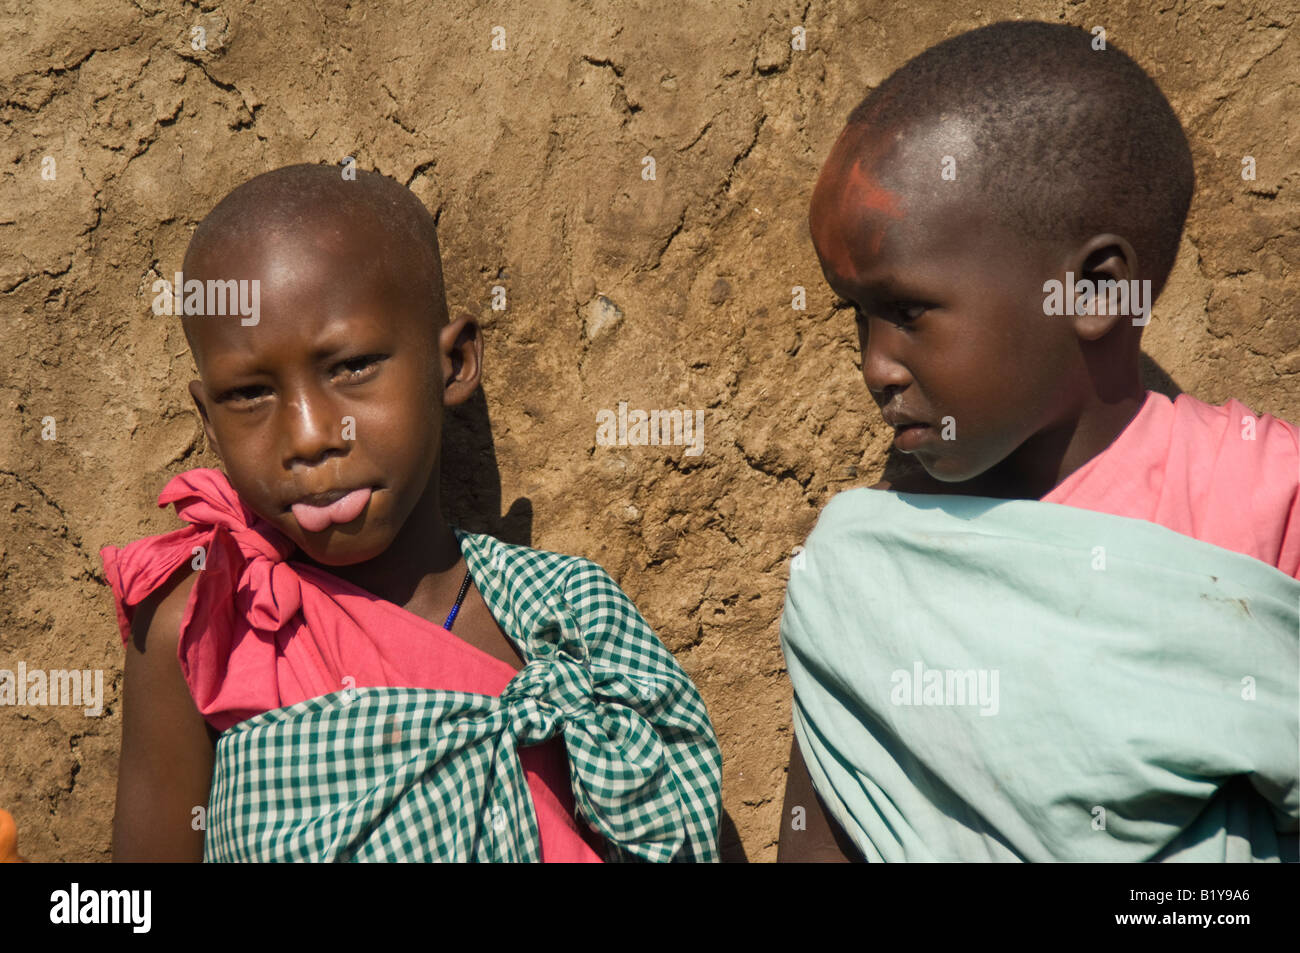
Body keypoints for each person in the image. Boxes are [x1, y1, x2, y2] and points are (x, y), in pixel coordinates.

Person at [778, 21, 1299, 862]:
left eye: (907, 312)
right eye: (856, 317)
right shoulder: (865, 579)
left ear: (1093, 293)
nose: (876, 366)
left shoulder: (1263, 498)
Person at [102, 164, 722, 862]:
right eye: (249, 394)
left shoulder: (564, 619)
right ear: (207, 419)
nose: (308, 435)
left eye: (353, 366)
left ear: (453, 362)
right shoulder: (207, 622)